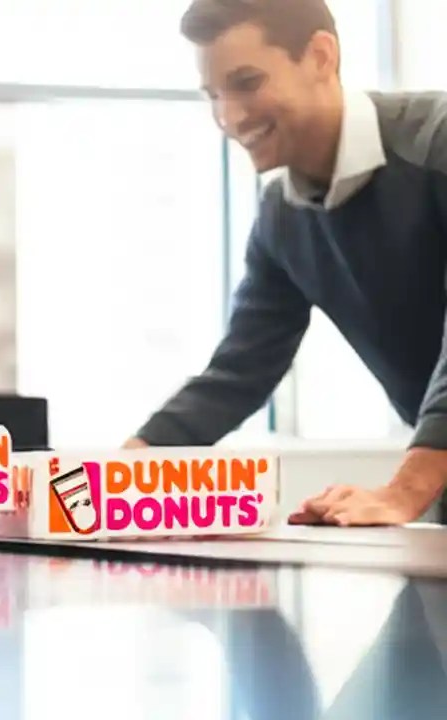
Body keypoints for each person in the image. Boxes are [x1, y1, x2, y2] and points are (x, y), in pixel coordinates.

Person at [125, 0, 447, 527]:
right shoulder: (281, 218)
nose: (229, 117)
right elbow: (239, 372)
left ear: (321, 56)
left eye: (247, 82)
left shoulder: (438, 140)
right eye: (214, 96)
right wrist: (101, 481)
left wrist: (404, 491)